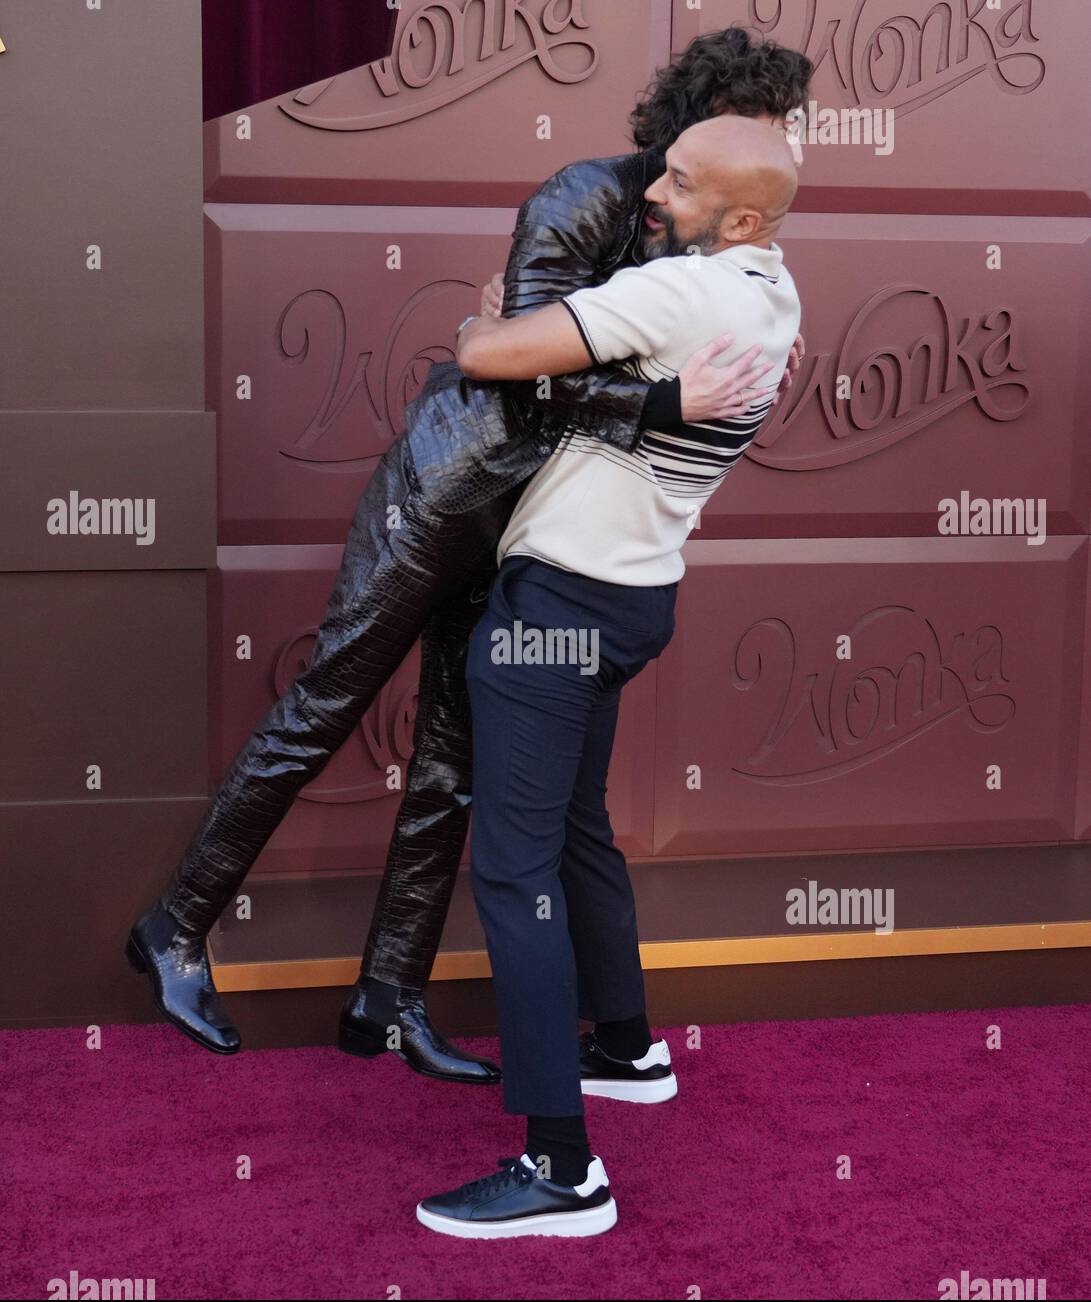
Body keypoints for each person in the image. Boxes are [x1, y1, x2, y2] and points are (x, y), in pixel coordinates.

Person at [124, 30, 812, 1080]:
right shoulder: (581, 196)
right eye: (757, 123)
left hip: (526, 525)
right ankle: (173, 929)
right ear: (699, 117)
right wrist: (661, 398)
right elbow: (507, 367)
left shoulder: (718, 248)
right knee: (326, 704)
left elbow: (681, 338)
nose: (772, 146)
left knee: (452, 763)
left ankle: (387, 1002)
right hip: (445, 491)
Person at [415, 114, 802, 1237]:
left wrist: (484, 316)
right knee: (577, 827)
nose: (651, 194)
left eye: (678, 185)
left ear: (737, 217)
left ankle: (560, 1169)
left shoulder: (681, 294)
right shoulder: (773, 290)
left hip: (560, 603)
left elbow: (483, 353)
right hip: (634, 595)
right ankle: (626, 1048)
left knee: (514, 869)